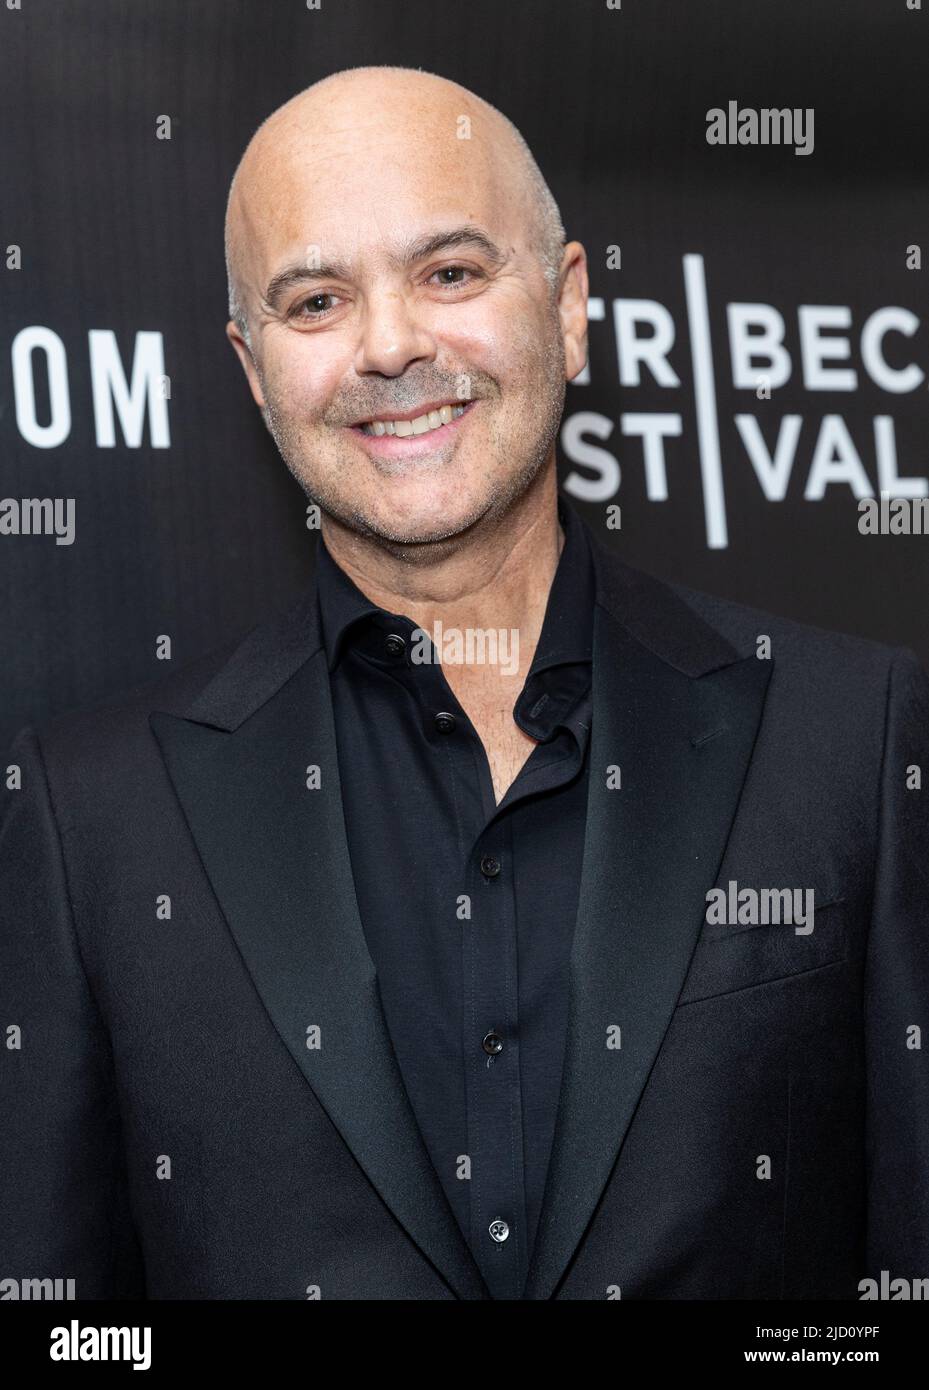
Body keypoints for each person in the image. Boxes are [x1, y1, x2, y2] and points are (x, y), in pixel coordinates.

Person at [1, 65, 927, 1301]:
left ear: (569, 306)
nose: (391, 345)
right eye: (318, 299)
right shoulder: (90, 820)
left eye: (449, 273)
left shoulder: (852, 739)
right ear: (251, 368)